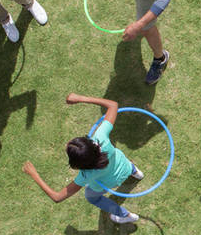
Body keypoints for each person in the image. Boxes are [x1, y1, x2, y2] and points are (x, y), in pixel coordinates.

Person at [22, 93, 146, 224]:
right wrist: (81, 99)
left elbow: (57, 197)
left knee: (92, 197)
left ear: (79, 164)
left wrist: (34, 175)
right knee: (124, 163)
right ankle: (135, 172)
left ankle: (125, 215)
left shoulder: (86, 176)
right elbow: (113, 105)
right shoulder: (100, 138)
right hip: (124, 165)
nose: (66, 144)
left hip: (110, 183)